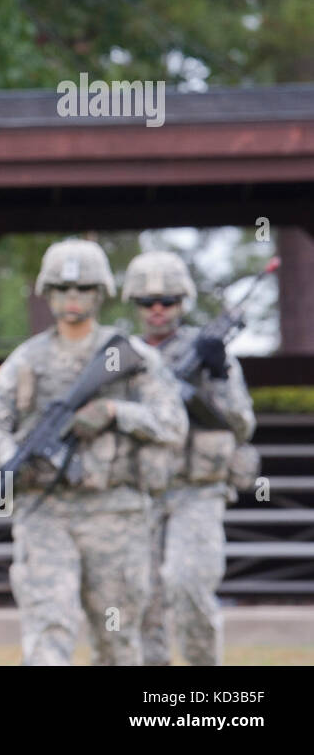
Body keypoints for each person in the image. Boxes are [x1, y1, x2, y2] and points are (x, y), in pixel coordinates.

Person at [0, 239, 187, 665]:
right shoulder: (26, 360)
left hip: (117, 514)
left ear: (100, 293)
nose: (72, 298)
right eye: (63, 289)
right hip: (46, 513)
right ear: (48, 293)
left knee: (118, 639)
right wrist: (12, 455)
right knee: (48, 629)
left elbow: (172, 422)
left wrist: (114, 411)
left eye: (83, 288)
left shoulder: (130, 356)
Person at [126, 251, 255, 666]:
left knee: (189, 586)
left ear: (183, 302)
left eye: (168, 300)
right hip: (138, 490)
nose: (158, 309)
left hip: (196, 490)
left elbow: (241, 424)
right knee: (140, 596)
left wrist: (216, 376)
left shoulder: (209, 349)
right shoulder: (121, 355)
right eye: (148, 302)